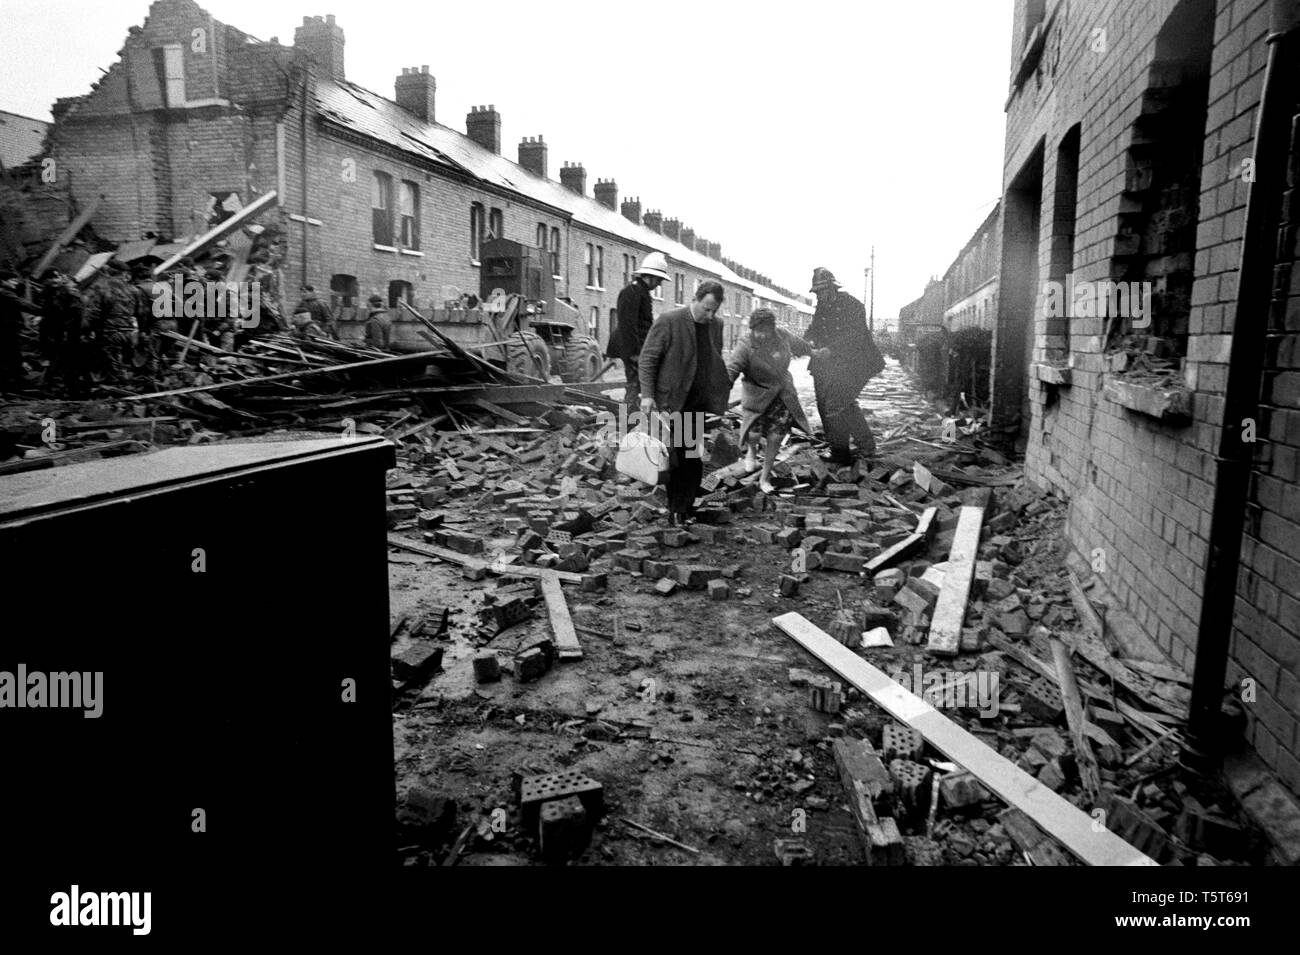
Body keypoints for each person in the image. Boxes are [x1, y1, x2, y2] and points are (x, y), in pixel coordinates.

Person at [638, 279, 730, 525]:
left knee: (692, 456)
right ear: (695, 299)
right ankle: (677, 510)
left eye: (714, 310)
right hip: (672, 400)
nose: (709, 315)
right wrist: (647, 395)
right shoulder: (670, 321)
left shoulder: (716, 325)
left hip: (698, 402)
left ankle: (684, 508)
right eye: (706, 308)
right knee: (676, 457)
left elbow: (713, 359)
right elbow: (648, 359)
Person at [725, 308, 814, 494]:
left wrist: (816, 353)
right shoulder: (745, 344)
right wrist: (722, 388)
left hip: (781, 393)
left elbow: (803, 346)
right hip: (756, 393)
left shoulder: (782, 336)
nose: (762, 335)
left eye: (766, 330)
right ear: (752, 329)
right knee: (754, 434)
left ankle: (764, 478)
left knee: (776, 436)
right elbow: (732, 368)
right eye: (758, 331)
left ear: (773, 329)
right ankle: (751, 451)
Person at [804, 266, 885, 465]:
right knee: (834, 405)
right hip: (828, 366)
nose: (820, 295)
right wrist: (807, 341)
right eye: (817, 292)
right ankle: (866, 446)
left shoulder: (852, 305)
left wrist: (831, 349)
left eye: (823, 291)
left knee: (835, 405)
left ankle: (840, 454)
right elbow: (814, 329)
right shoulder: (821, 307)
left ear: (833, 287)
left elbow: (855, 336)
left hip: (855, 364)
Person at [606, 251, 670, 409]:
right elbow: (628, 327)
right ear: (651, 276)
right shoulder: (631, 292)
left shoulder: (642, 292)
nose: (660, 284)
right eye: (659, 279)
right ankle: (626, 425)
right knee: (635, 389)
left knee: (641, 389)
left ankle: (637, 424)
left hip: (640, 350)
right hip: (632, 350)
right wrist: (635, 355)